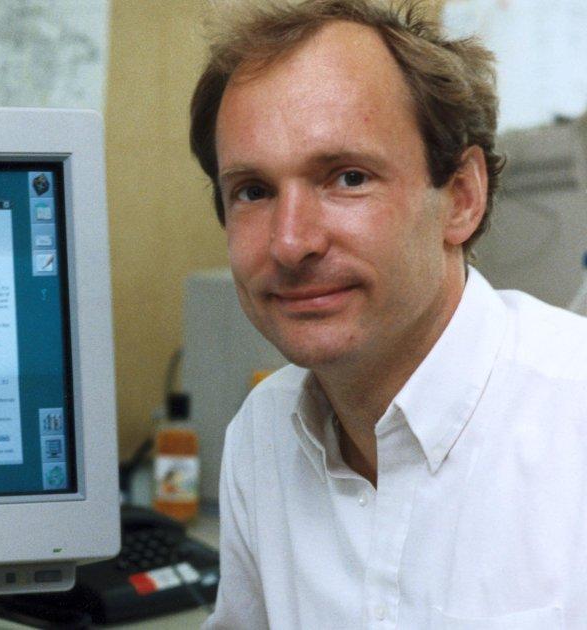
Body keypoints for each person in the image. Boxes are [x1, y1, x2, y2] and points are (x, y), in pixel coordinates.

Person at [188, 1, 587, 627]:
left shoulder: (574, 425)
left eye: (347, 178)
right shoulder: (262, 438)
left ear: (461, 197)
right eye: (254, 191)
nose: (291, 242)